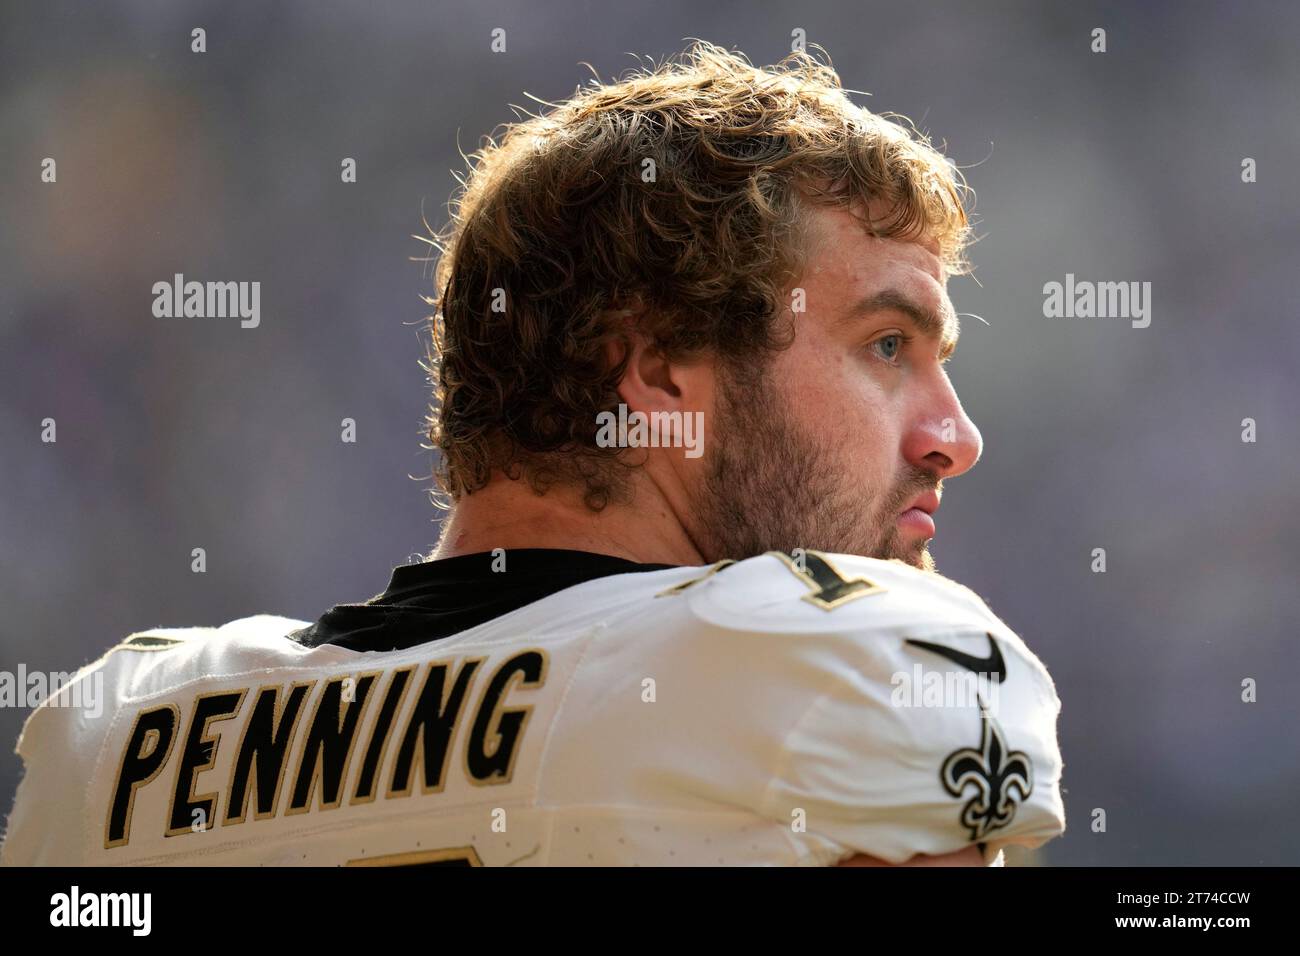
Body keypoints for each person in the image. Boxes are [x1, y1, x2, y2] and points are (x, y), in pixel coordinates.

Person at [0, 41, 1063, 867]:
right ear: (656, 377)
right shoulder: (855, 670)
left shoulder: (112, 744)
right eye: (886, 346)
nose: (953, 436)